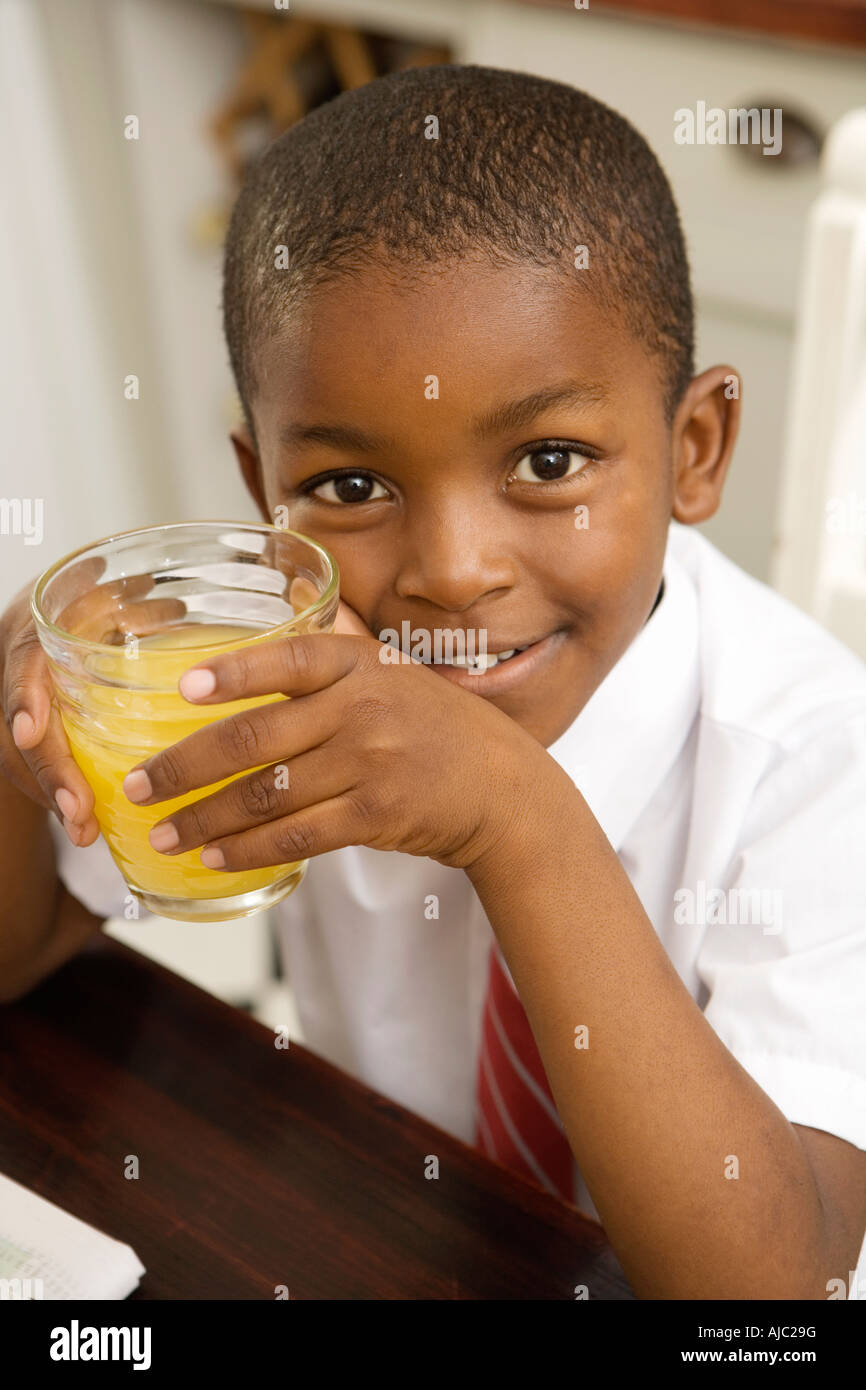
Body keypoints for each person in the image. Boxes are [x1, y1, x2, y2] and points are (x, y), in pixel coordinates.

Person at [2, 65, 864, 1300]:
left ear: (693, 449)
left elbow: (769, 1290)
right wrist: (17, 702)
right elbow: (17, 950)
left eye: (548, 460)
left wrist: (517, 820)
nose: (452, 575)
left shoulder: (822, 763)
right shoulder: (268, 687)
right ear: (265, 495)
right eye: (351, 488)